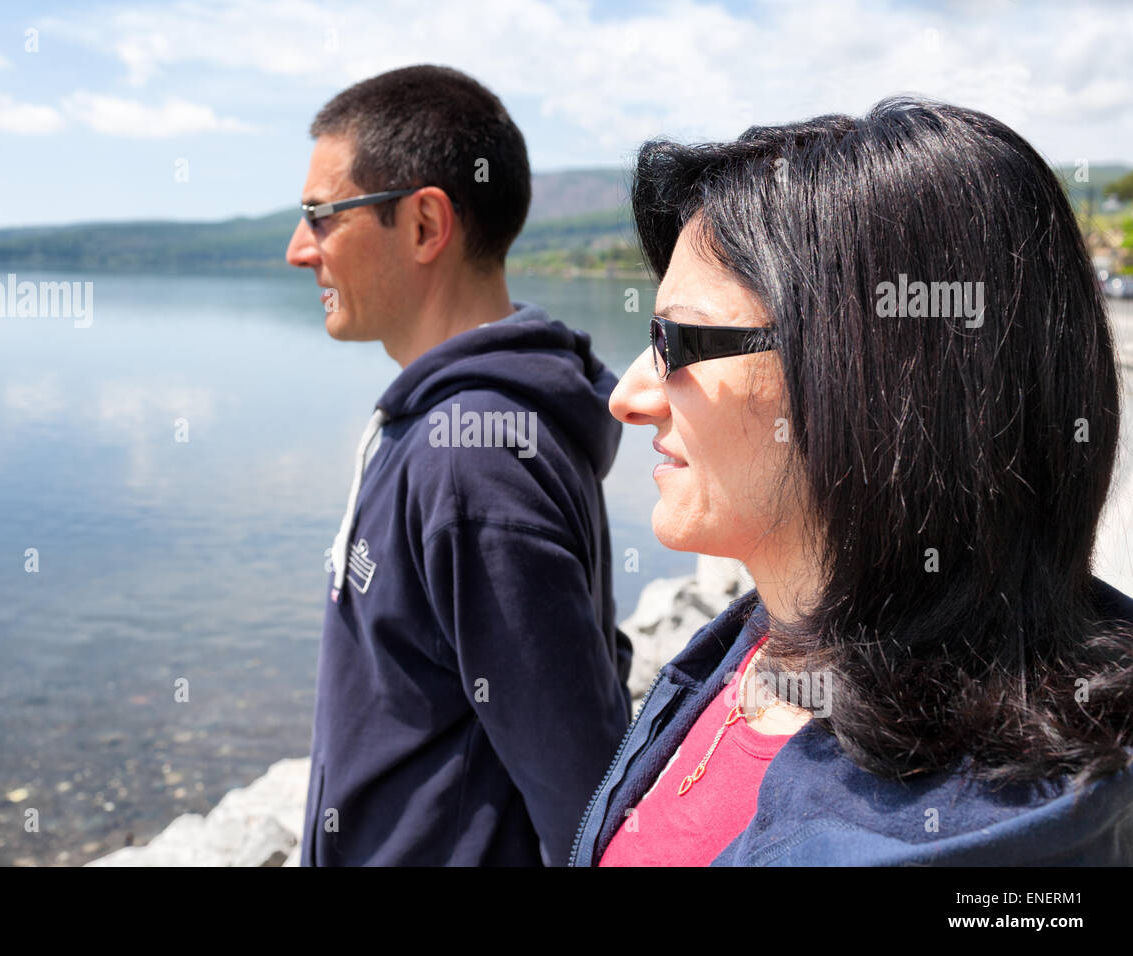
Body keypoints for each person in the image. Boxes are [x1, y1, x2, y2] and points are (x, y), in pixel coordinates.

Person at [571, 96, 1133, 866]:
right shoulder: (774, 640)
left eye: (674, 340)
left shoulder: (963, 846)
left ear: (880, 380)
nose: (627, 397)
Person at [285, 65, 633, 865]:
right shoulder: (454, 425)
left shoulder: (470, 458)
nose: (300, 250)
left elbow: (583, 799)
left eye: (319, 216)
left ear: (423, 226)